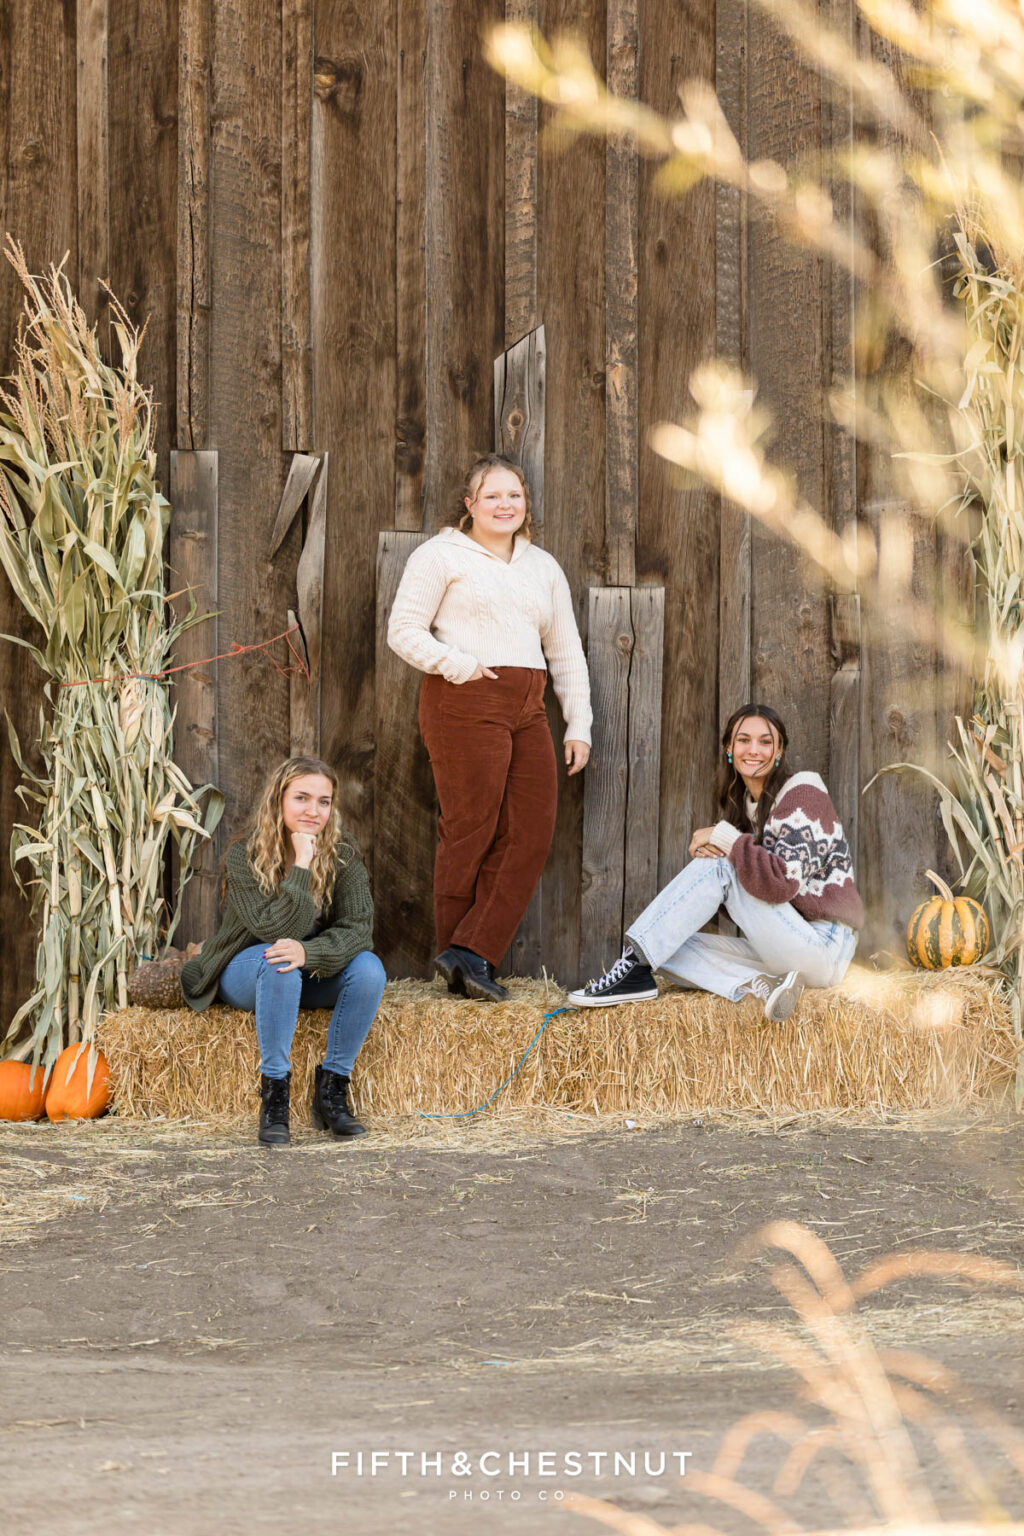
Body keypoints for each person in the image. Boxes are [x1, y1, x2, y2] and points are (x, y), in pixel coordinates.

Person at [387, 454, 592, 1000]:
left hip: (528, 705)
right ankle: (458, 967)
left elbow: (565, 647)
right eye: (493, 495)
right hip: (463, 698)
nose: (505, 505)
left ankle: (472, 951)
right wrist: (460, 666)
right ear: (470, 503)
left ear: (526, 504)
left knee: (532, 827)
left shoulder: (542, 566)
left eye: (515, 496)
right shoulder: (440, 555)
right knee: (470, 828)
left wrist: (579, 724)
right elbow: (403, 631)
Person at [567, 704, 863, 1019]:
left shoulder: (803, 791)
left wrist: (724, 844)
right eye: (743, 740)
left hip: (825, 947)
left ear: (779, 751)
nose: (754, 750)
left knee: (718, 869)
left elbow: (783, 883)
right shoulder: (749, 810)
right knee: (665, 946)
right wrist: (719, 866)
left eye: (765, 742)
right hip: (785, 950)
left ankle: (631, 965)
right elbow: (749, 902)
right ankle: (760, 984)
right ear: (729, 749)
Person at [181, 756, 386, 1146]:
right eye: (302, 798)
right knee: (278, 960)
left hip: (304, 972)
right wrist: (303, 864)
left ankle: (332, 1091)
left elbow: (359, 929)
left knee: (369, 968)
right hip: (245, 972)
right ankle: (274, 1094)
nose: (314, 811)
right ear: (279, 800)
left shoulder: (343, 853)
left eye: (324, 802)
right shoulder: (246, 855)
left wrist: (311, 954)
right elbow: (275, 930)